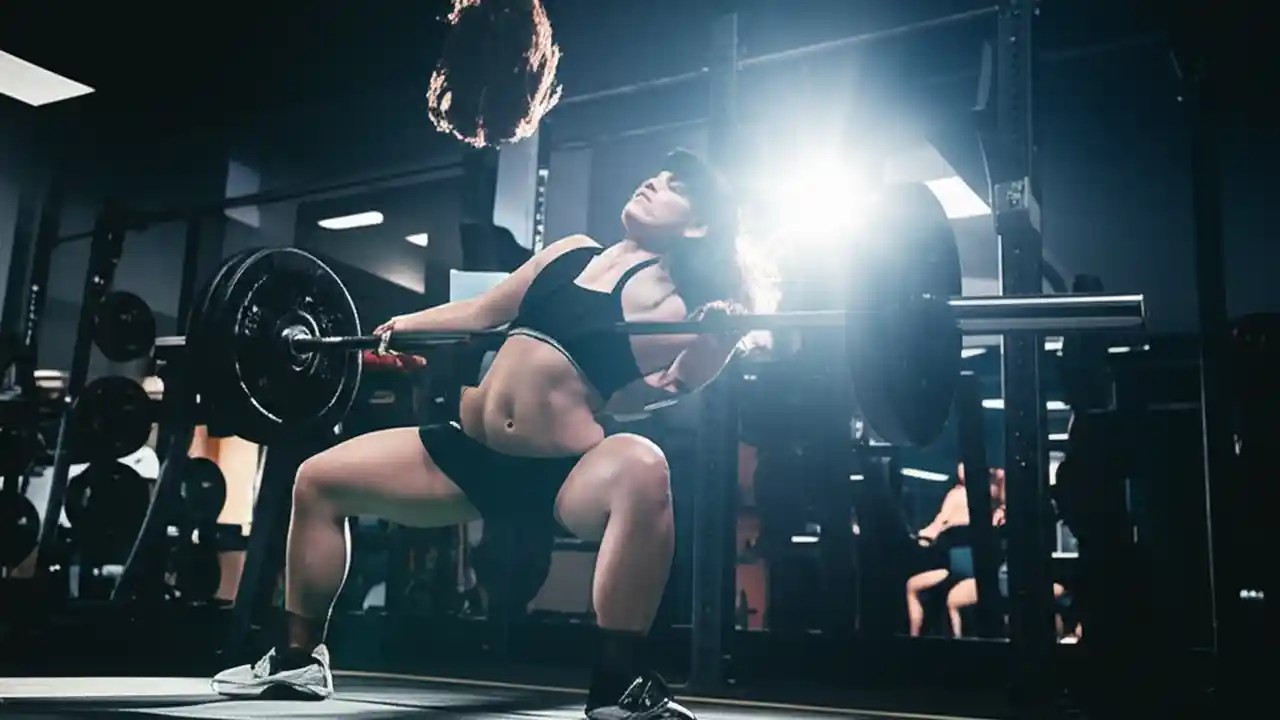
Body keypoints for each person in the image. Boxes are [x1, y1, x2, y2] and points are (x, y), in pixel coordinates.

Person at [212, 149, 769, 720]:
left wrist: (713, 344)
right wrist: (402, 326)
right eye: (656, 173)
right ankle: (298, 660)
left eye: (676, 186)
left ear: (698, 226)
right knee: (317, 481)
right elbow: (482, 311)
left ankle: (618, 682)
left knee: (645, 464)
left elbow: (654, 393)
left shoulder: (678, 308)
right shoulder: (569, 252)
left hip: (561, 477)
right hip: (471, 456)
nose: (653, 181)